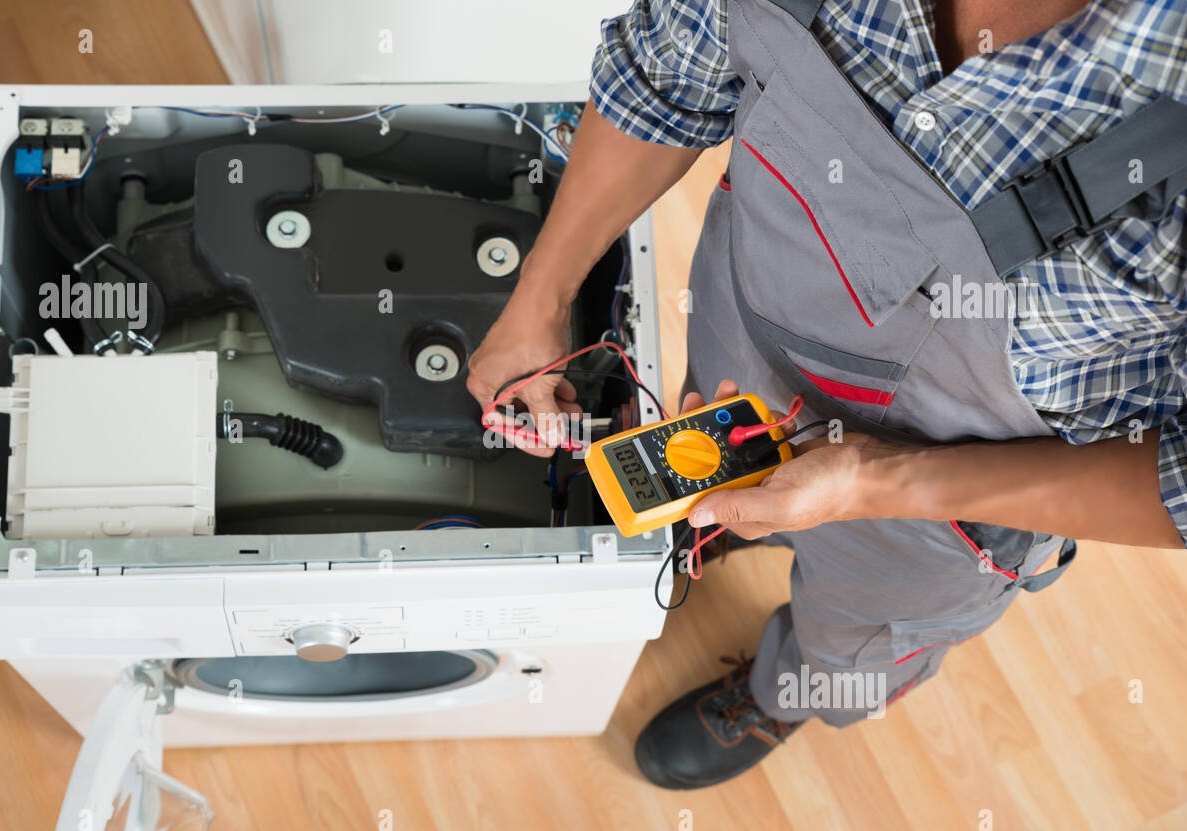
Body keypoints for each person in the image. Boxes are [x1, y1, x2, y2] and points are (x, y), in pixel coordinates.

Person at [466, 0, 1187, 789]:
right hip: (743, 345)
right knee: (698, 465)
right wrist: (537, 303)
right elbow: (666, 68)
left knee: (851, 642)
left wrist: (877, 478)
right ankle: (720, 531)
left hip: (944, 506)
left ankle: (780, 692)